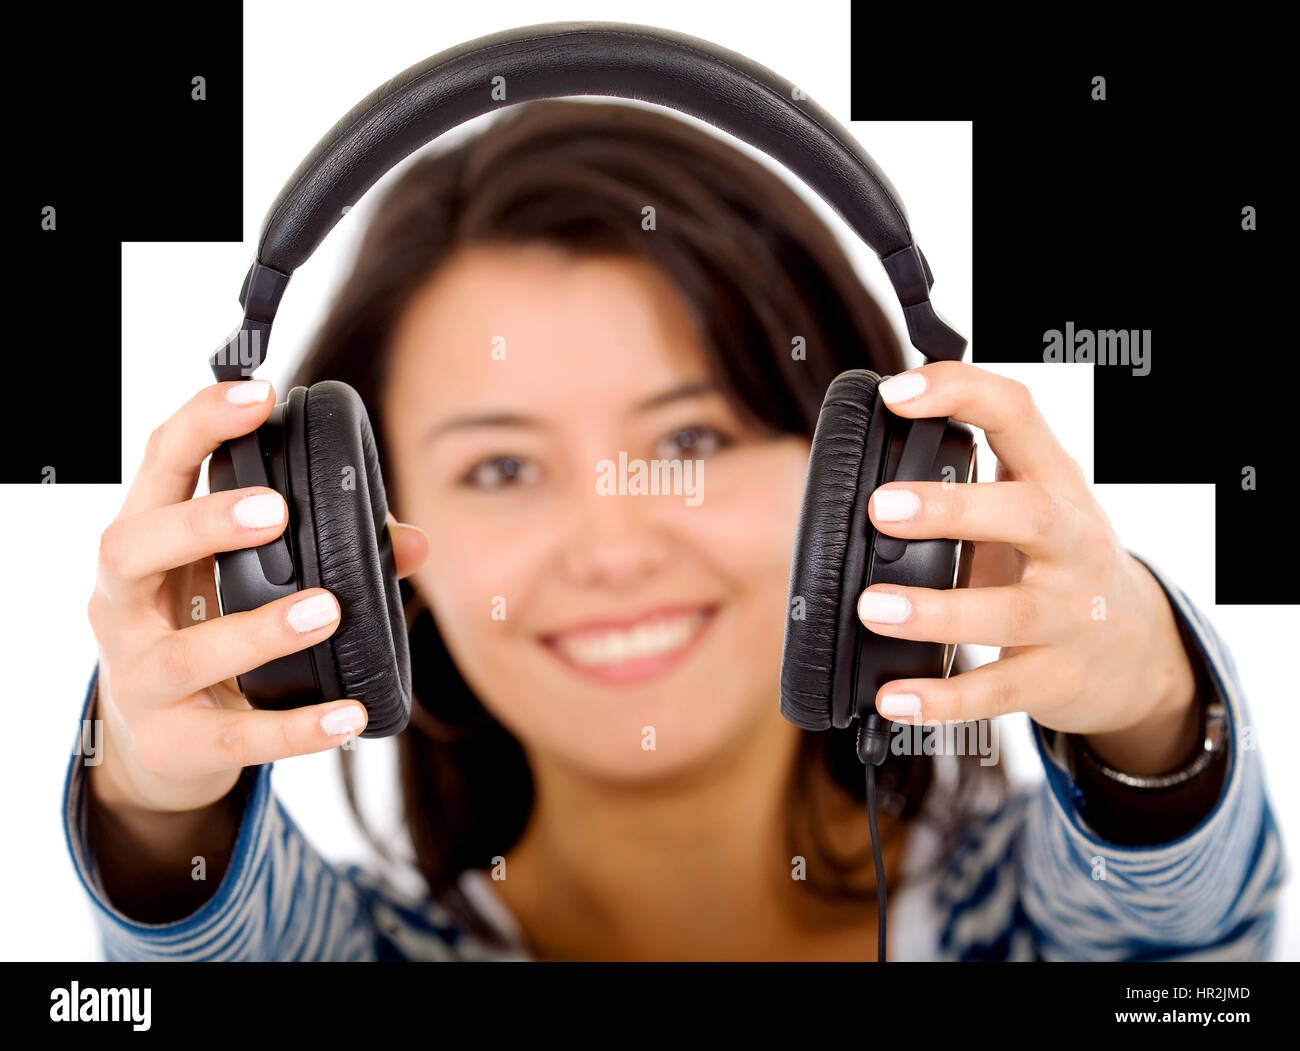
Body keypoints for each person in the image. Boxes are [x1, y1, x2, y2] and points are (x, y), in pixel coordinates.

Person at [66, 101, 1286, 960]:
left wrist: (1144, 709)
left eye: (689, 445)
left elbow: (1178, 930)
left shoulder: (1033, 920)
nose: (612, 547)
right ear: (364, 551)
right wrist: (159, 796)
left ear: (866, 482)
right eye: (499, 466)